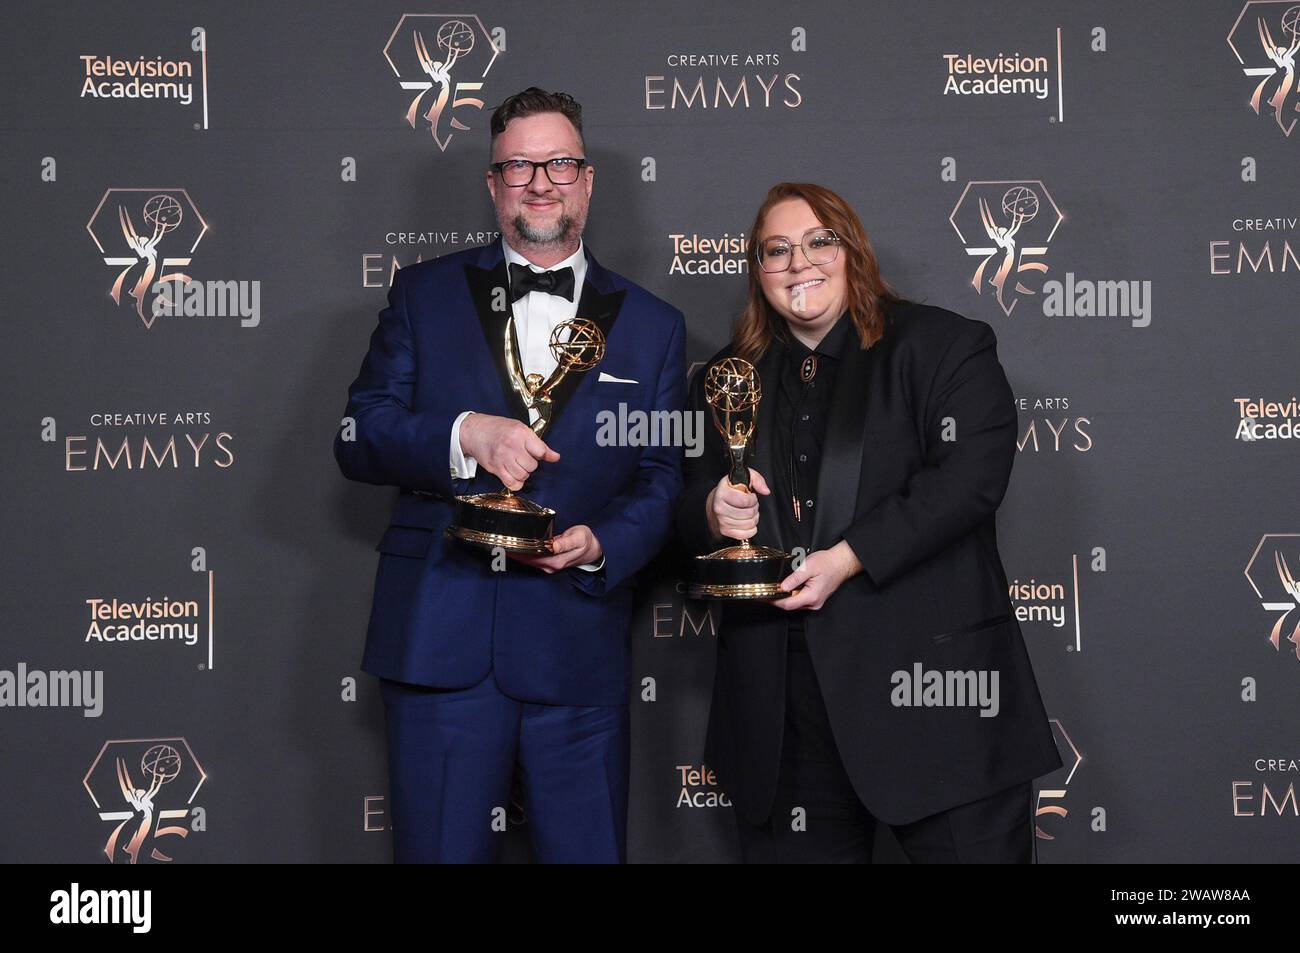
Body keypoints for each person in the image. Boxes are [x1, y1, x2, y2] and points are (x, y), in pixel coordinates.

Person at [334, 87, 685, 863]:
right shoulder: (423, 294)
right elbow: (359, 435)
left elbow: (662, 476)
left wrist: (599, 543)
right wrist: (465, 434)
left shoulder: (655, 325)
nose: (540, 180)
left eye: (559, 162)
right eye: (518, 164)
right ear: (492, 184)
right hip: (440, 643)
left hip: (577, 646)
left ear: (588, 179)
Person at [675, 182, 1061, 863]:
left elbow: (969, 481)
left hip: (938, 709)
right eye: (777, 250)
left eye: (818, 241)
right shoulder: (729, 379)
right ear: (757, 271)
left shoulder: (943, 346)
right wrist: (712, 511)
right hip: (783, 722)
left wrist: (846, 557)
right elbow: (678, 512)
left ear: (853, 250)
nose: (799, 263)